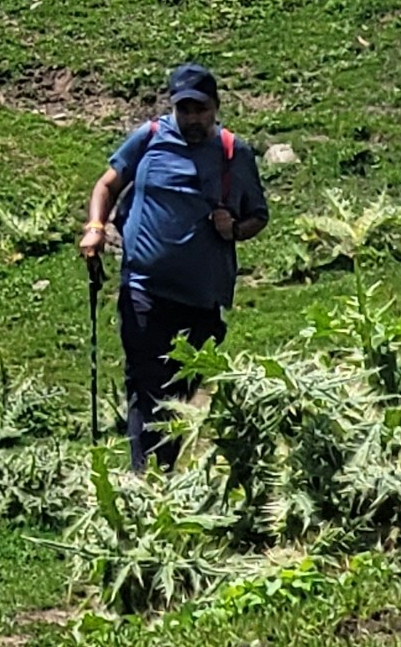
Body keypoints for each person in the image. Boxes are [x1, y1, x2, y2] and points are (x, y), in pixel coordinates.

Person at [82, 61, 270, 470]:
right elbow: (107, 183)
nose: (193, 119)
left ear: (216, 107)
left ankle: (158, 471)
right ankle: (145, 480)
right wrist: (95, 227)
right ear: (174, 108)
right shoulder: (149, 138)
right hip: (144, 288)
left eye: (201, 110)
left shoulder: (233, 153)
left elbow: (259, 215)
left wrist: (235, 229)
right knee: (146, 383)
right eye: (185, 110)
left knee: (179, 391)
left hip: (202, 299)